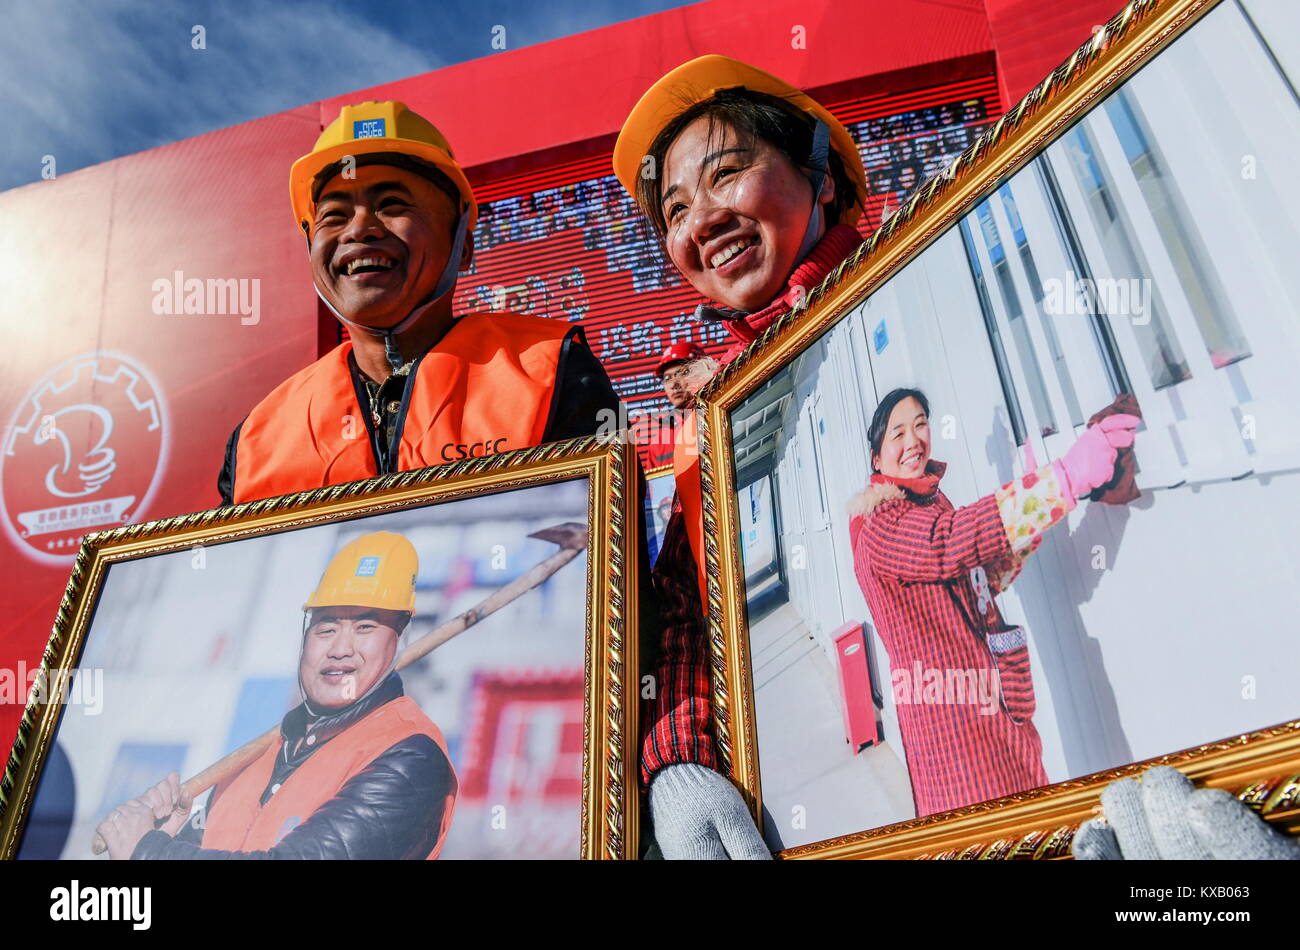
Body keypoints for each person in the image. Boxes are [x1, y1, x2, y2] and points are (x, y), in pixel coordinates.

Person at [613, 54, 870, 859]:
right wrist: (681, 768)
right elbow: (688, 622)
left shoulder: (923, 268)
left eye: (728, 175)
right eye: (677, 210)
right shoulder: (708, 421)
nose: (701, 222)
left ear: (820, 175)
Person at [217, 100, 620, 507]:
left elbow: (604, 554)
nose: (360, 229)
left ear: (462, 246)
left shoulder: (552, 372)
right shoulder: (256, 440)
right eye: (334, 216)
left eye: (392, 205)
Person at [848, 387, 1140, 817]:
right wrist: (1065, 477)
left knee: (1031, 816)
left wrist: (1044, 506)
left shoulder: (924, 501)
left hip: (989, 708)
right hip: (954, 727)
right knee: (999, 828)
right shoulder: (880, 525)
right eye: (898, 433)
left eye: (921, 424)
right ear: (876, 458)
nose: (914, 440)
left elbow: (974, 576)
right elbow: (949, 543)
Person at [95, 532, 457, 859]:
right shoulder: (258, 756)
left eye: (365, 627)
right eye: (326, 628)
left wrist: (148, 851)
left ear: (399, 640)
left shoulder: (409, 757)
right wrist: (169, 839)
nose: (340, 649)